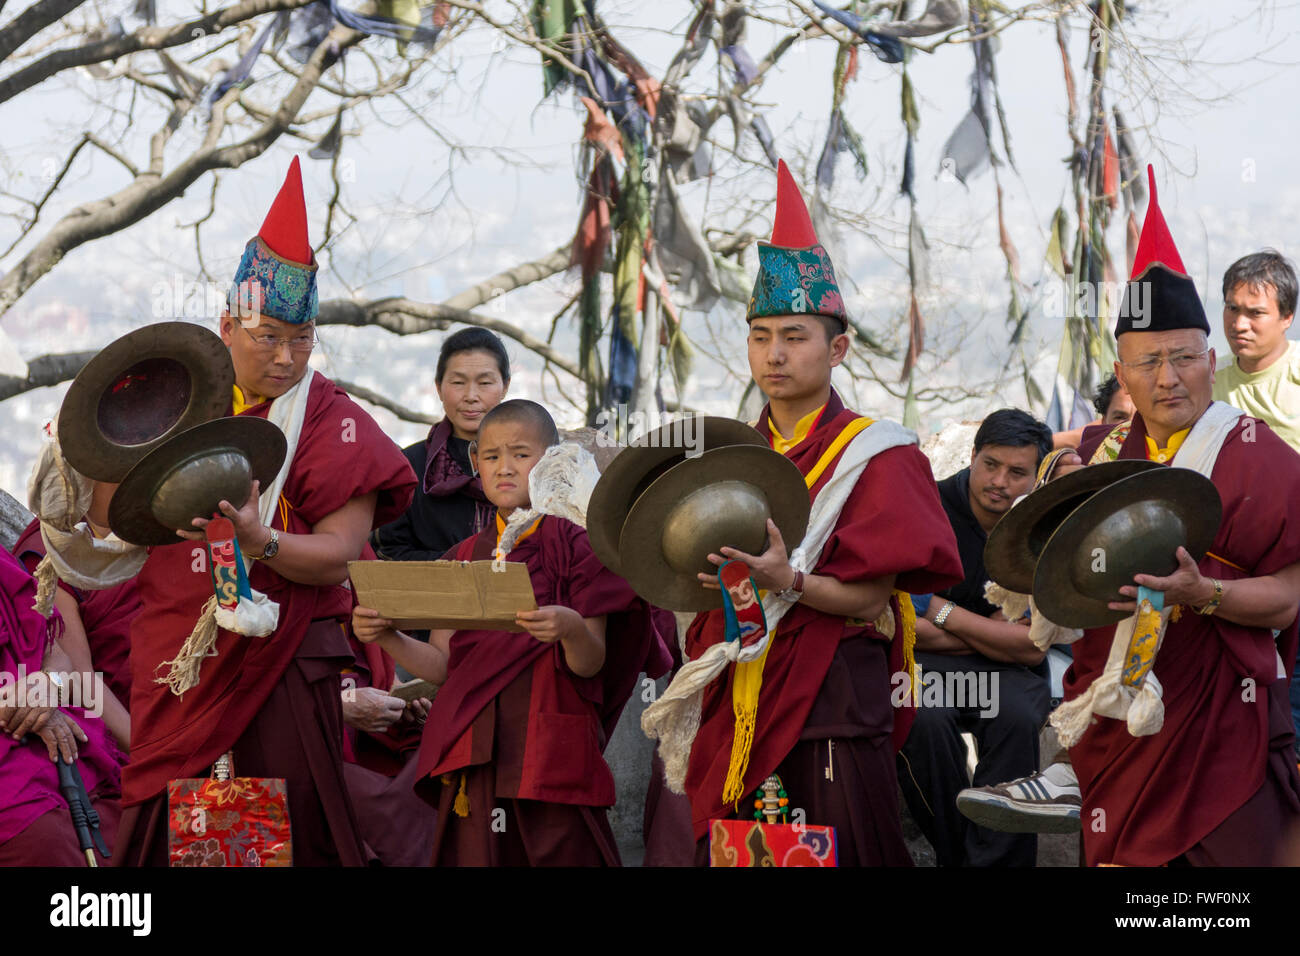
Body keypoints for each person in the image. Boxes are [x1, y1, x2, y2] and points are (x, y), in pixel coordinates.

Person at [643, 160, 963, 867]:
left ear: (836, 347)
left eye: (794, 337)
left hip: (828, 700)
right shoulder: (732, 454)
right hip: (730, 687)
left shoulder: (876, 455)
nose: (774, 354)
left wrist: (786, 579)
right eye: (760, 337)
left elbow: (871, 598)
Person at [111, 156, 416, 866]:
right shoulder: (176, 402)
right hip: (179, 657)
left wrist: (263, 539)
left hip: (276, 661)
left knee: (277, 831)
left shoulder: (328, 420)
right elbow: (113, 517)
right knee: (172, 835)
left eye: (301, 338)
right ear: (226, 325)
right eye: (267, 337)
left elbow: (342, 550)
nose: (285, 357)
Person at [1044, 168, 1300, 865]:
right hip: (1117, 722)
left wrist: (1203, 594)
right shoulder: (1100, 459)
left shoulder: (1262, 459)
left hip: (1222, 722)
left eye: (1184, 358)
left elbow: (1287, 597)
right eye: (1148, 361)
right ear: (1121, 376)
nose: (1167, 377)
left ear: (1210, 362)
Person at [353, 399, 668, 866]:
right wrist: (386, 638)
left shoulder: (578, 544)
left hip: (550, 748)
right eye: (492, 456)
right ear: (475, 463)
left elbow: (592, 660)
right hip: (476, 750)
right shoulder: (462, 556)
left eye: (521, 454)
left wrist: (569, 627)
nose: (505, 468)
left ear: (551, 457)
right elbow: (443, 667)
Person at [898, 408, 1052, 866]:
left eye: (1017, 472)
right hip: (926, 665)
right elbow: (904, 624)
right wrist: (990, 632)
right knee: (920, 718)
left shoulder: (1042, 529)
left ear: (1036, 477)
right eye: (991, 464)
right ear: (972, 455)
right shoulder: (926, 506)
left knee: (1018, 717)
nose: (1000, 481)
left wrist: (943, 612)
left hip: (1009, 671)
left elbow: (1032, 644)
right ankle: (960, 856)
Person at [1212, 250, 1300, 753]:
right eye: (1231, 309)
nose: (1239, 324)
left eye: (1255, 312)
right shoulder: (1210, 385)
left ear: (1286, 317)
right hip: (1230, 569)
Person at [0, 546, 122, 865]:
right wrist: (20, 708)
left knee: (127, 817)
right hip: (13, 769)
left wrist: (48, 684)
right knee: (42, 836)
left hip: (62, 739)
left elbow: (56, 655)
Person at [370, 327, 510, 561]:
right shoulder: (409, 467)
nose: (471, 395)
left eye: (485, 383)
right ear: (438, 388)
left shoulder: (529, 465)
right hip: (430, 595)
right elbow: (387, 551)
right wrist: (459, 565)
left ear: (504, 387)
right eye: (458, 382)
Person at [1052, 373, 1135, 449]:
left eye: (1141, 418)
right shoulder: (1085, 460)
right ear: (1104, 421)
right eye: (1119, 417)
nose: (1130, 427)